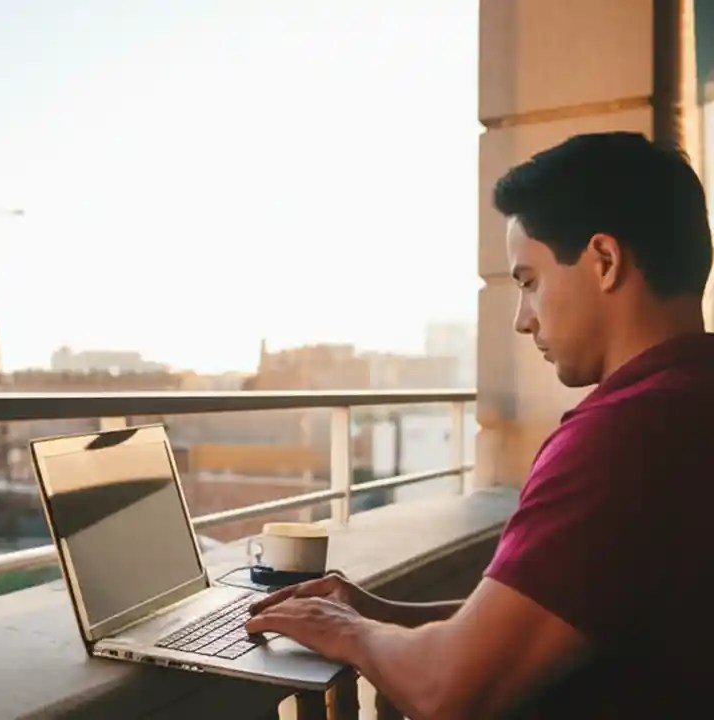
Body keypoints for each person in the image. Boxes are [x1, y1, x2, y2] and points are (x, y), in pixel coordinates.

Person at [245, 132, 714, 719]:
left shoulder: (626, 436)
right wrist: (378, 614)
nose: (523, 319)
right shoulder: (692, 401)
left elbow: (452, 691)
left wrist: (347, 633)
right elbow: (561, 621)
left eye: (529, 281)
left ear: (604, 261)